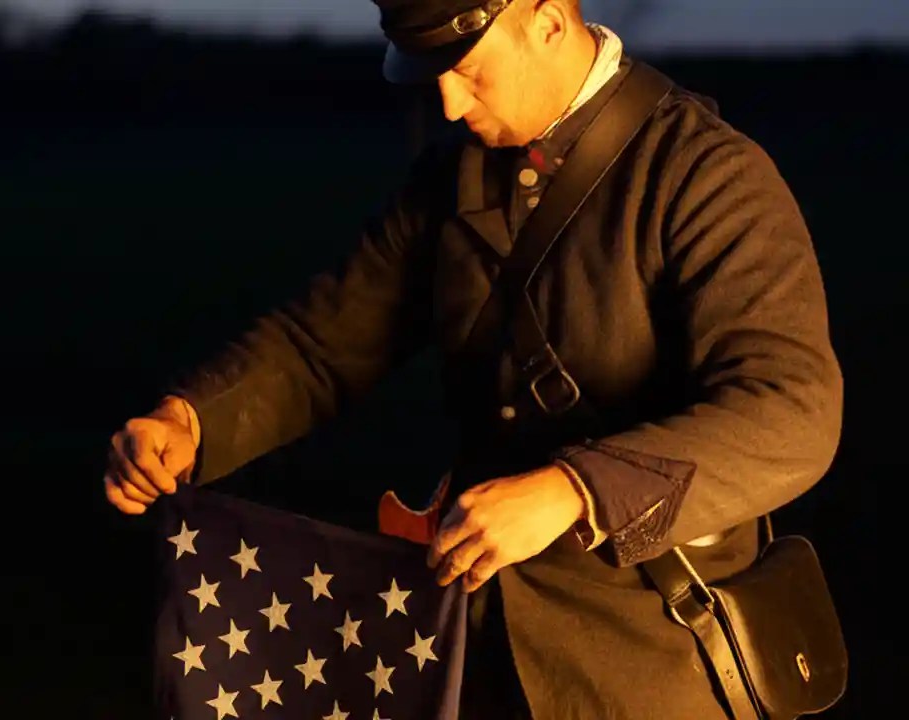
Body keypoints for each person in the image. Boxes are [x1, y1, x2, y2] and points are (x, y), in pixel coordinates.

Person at [102, 0, 844, 716]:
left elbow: (793, 411)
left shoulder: (705, 174)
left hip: (648, 660)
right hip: (468, 651)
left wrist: (574, 490)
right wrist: (192, 421)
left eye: (468, 68)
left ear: (548, 22)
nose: (450, 103)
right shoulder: (451, 181)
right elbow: (322, 344)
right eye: (433, 73)